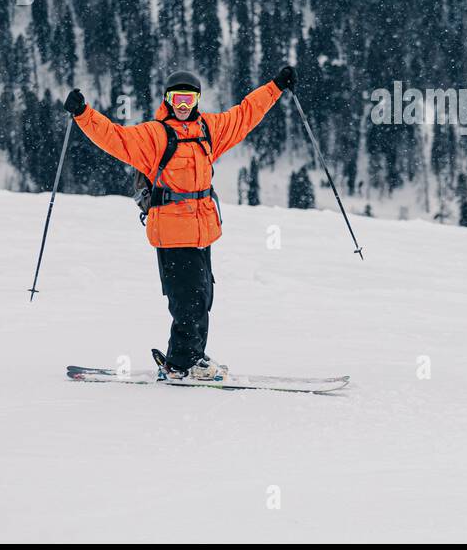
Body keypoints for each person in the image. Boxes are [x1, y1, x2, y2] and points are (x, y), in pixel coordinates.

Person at [63, 66, 296, 380]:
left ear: (197, 100)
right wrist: (83, 114)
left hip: (203, 230)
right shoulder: (154, 135)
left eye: (189, 98)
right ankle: (181, 364)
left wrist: (276, 87)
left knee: (203, 297)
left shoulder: (208, 131)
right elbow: (114, 138)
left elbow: (245, 115)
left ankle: (194, 356)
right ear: (167, 100)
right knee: (187, 301)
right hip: (171, 231)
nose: (183, 105)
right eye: (177, 98)